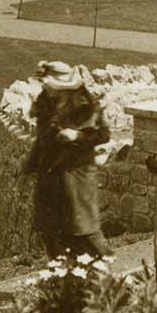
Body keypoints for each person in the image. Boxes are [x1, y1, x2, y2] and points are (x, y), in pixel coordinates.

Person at [23, 61, 115, 259]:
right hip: (50, 175)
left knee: (84, 230)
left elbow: (103, 135)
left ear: (63, 87)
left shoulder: (85, 105)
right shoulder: (46, 102)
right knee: (51, 232)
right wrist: (30, 166)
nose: (44, 87)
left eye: (48, 84)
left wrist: (77, 136)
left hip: (77, 175)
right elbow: (42, 139)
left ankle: (107, 268)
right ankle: (62, 273)